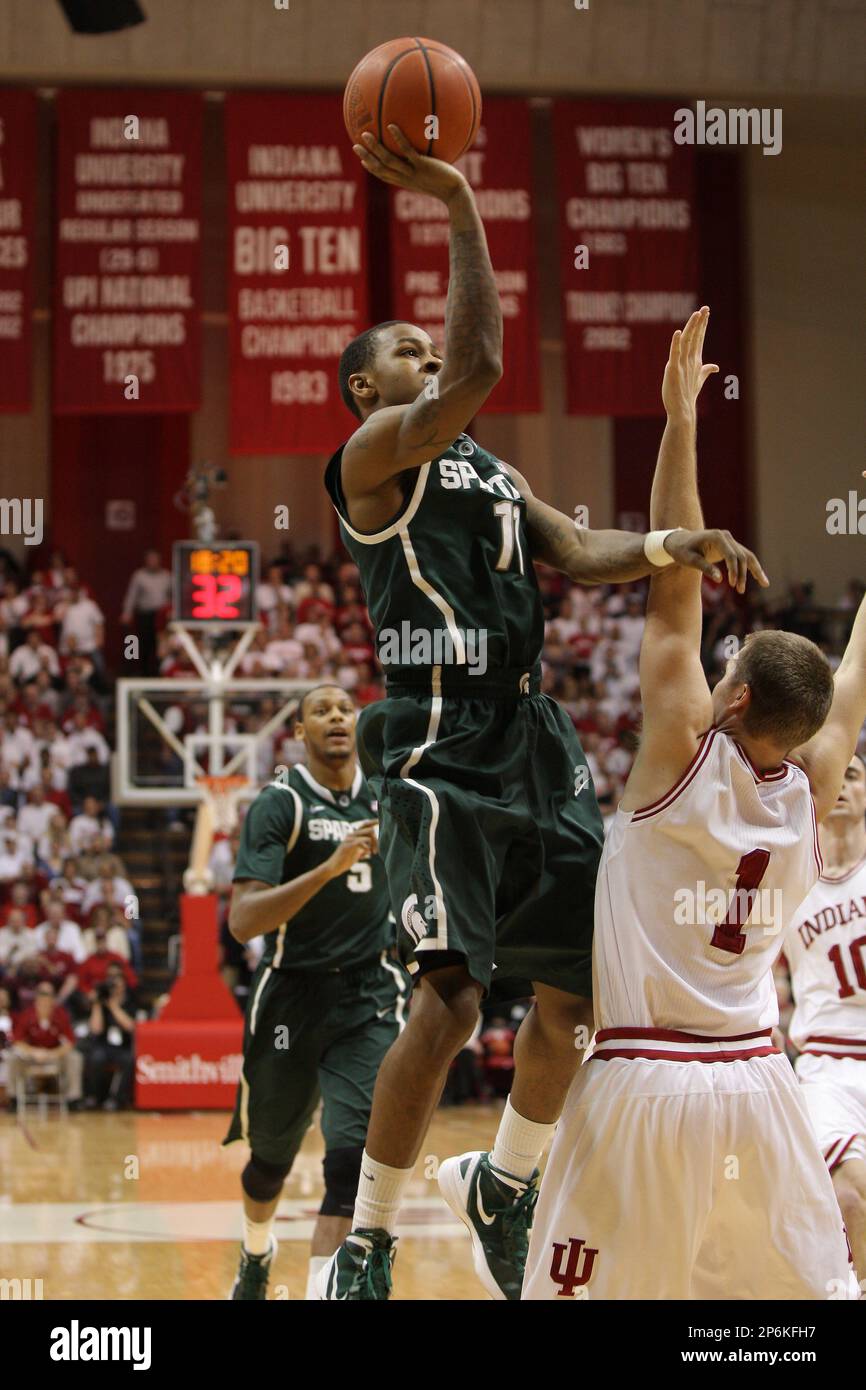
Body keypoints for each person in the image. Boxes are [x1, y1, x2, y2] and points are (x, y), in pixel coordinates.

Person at [319, 130, 761, 1301]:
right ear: (369, 388)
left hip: (531, 741)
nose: (429, 355)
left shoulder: (488, 470)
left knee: (585, 990)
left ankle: (503, 1185)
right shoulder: (371, 460)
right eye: (404, 351)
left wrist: (676, 541)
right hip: (432, 744)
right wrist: (460, 198)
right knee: (450, 995)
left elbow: (577, 549)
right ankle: (366, 1239)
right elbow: (473, 365)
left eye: (426, 343)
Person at [523, 309, 857, 1300]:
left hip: (644, 1075)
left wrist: (678, 421)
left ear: (737, 695)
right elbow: (850, 686)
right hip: (760, 1084)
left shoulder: (679, 755)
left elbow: (672, 593)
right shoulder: (814, 782)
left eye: (723, 670)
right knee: (779, 1312)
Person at [223, 684, 410, 1301]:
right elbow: (244, 920)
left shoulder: (390, 798)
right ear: (299, 733)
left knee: (350, 1165)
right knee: (268, 1163)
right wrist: (327, 868)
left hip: (369, 994)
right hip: (290, 996)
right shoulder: (280, 803)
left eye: (344, 709)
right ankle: (256, 1253)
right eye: (320, 711)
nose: (335, 717)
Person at [784, 753, 866, 1287]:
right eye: (832, 775)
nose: (840, 784)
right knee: (850, 1190)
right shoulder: (787, 882)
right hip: (826, 1064)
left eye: (853, 774)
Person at [7, 980, 83, 1112]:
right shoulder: (26, 1015)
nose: (45, 1000)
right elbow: (17, 1041)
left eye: (48, 995)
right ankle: (14, 1099)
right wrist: (34, 1052)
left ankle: (73, 1100)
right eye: (42, 995)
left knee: (75, 1058)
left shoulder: (61, 1015)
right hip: (31, 1056)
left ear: (53, 998)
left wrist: (53, 1053)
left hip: (54, 1055)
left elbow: (70, 1042)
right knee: (12, 1057)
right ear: (36, 998)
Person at [84, 962, 138, 1110]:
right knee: (96, 1058)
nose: (115, 988)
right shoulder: (101, 1002)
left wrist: (114, 1006)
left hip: (123, 1047)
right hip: (103, 1046)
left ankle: (117, 1099)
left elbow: (130, 1027)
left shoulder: (129, 1002)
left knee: (129, 1060)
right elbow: (95, 1029)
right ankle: (96, 1097)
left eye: (118, 984)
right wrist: (97, 1004)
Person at [120, 549, 172, 676]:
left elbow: (173, 595)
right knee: (143, 645)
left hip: (162, 616)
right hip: (145, 615)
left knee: (160, 646)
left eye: (155, 559)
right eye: (150, 559)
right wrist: (127, 613)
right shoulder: (139, 575)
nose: (153, 562)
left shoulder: (167, 576)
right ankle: (143, 673)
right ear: (146, 561)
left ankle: (160, 674)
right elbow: (131, 596)